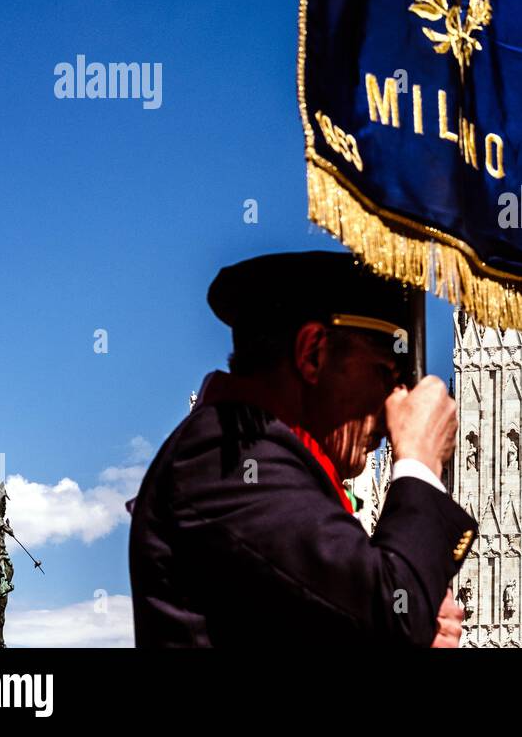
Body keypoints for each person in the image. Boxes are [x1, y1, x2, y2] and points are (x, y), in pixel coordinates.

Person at [128, 251, 476, 647]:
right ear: (313, 354)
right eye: (382, 372)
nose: (392, 406)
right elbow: (387, 617)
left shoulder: (276, 470)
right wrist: (419, 462)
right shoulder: (226, 455)